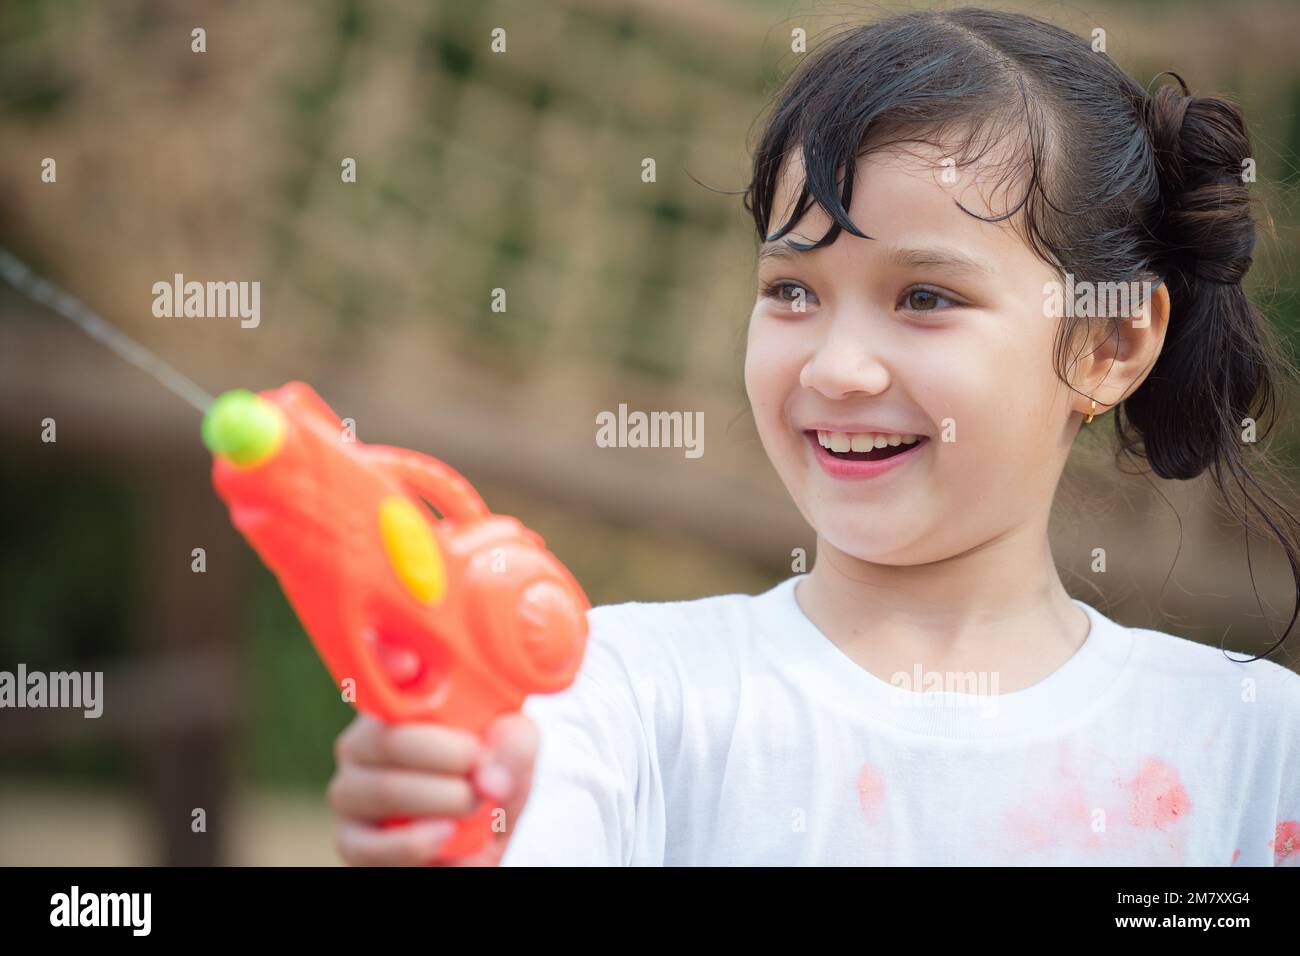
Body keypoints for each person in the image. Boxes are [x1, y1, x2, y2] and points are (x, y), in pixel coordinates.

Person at [327, 6, 1300, 866]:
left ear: (1107, 343)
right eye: (791, 290)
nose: (836, 367)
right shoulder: (614, 699)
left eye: (924, 296)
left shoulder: (1252, 749)